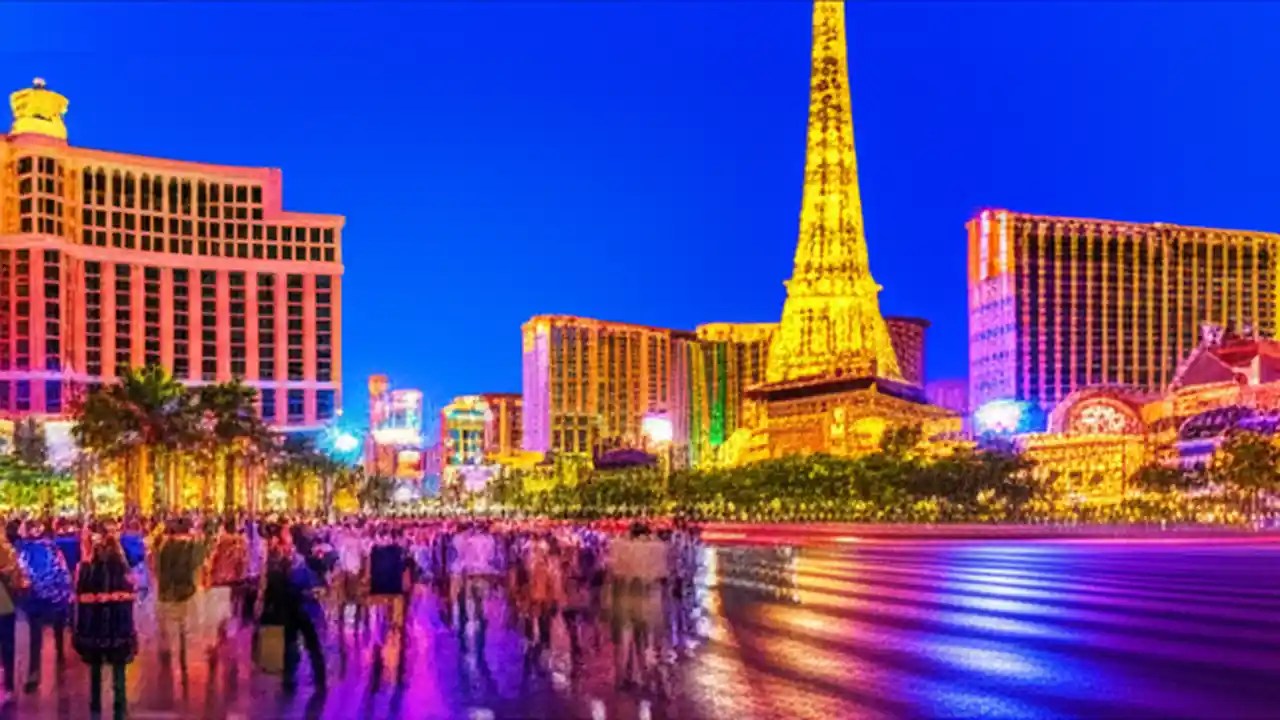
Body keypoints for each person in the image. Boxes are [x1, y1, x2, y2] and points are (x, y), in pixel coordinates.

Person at [73, 525, 138, 719]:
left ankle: (95, 709)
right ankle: (120, 708)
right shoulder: (122, 570)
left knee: (95, 671)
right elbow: (129, 599)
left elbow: (81, 600)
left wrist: (80, 630)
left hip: (94, 630)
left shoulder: (86, 569)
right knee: (118, 671)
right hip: (119, 628)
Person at [18, 519, 72, 692]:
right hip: (55, 596)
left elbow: (22, 573)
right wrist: (65, 589)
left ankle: (34, 672)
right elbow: (63, 570)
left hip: (35, 597)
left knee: (35, 635)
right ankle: (60, 652)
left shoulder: (24, 551)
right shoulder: (53, 548)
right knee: (57, 626)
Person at [153, 517, 206, 673]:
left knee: (168, 629)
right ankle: (183, 658)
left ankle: (167, 659)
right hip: (186, 591)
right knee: (184, 627)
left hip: (166, 592)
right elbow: (199, 561)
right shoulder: (191, 546)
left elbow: (155, 566)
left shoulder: (163, 546)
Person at [0, 532, 29, 701]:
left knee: (8, 643)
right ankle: (9, 683)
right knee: (8, 643)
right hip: (7, 604)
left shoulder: (7, 551)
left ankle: (9, 683)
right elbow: (17, 572)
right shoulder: (9, 550)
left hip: (6, 602)